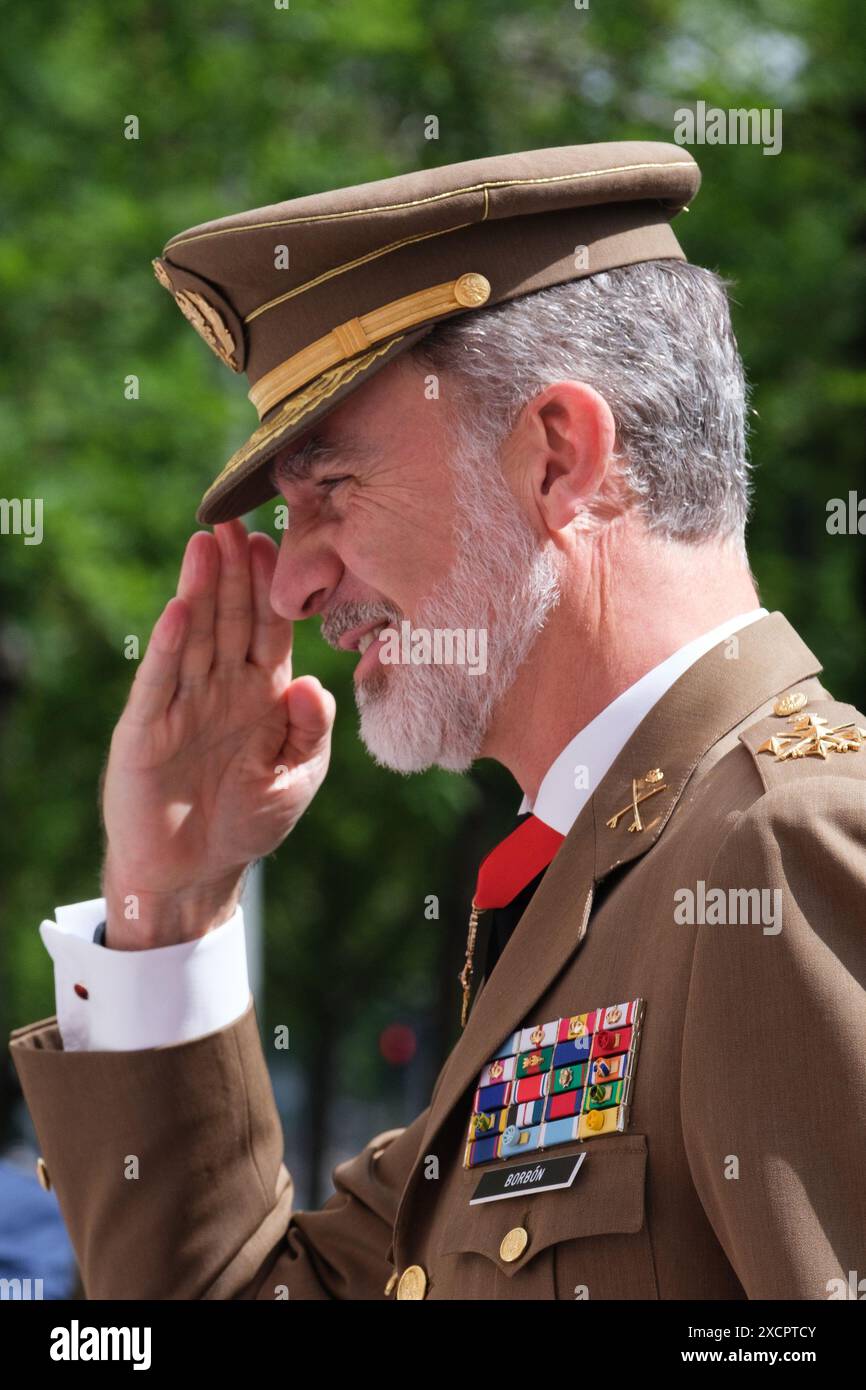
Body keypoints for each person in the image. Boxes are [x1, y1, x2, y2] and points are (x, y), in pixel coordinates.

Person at [9, 143, 866, 1300]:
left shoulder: (787, 846)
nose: (290, 584)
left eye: (332, 490)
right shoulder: (613, 874)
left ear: (559, 459)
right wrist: (167, 903)